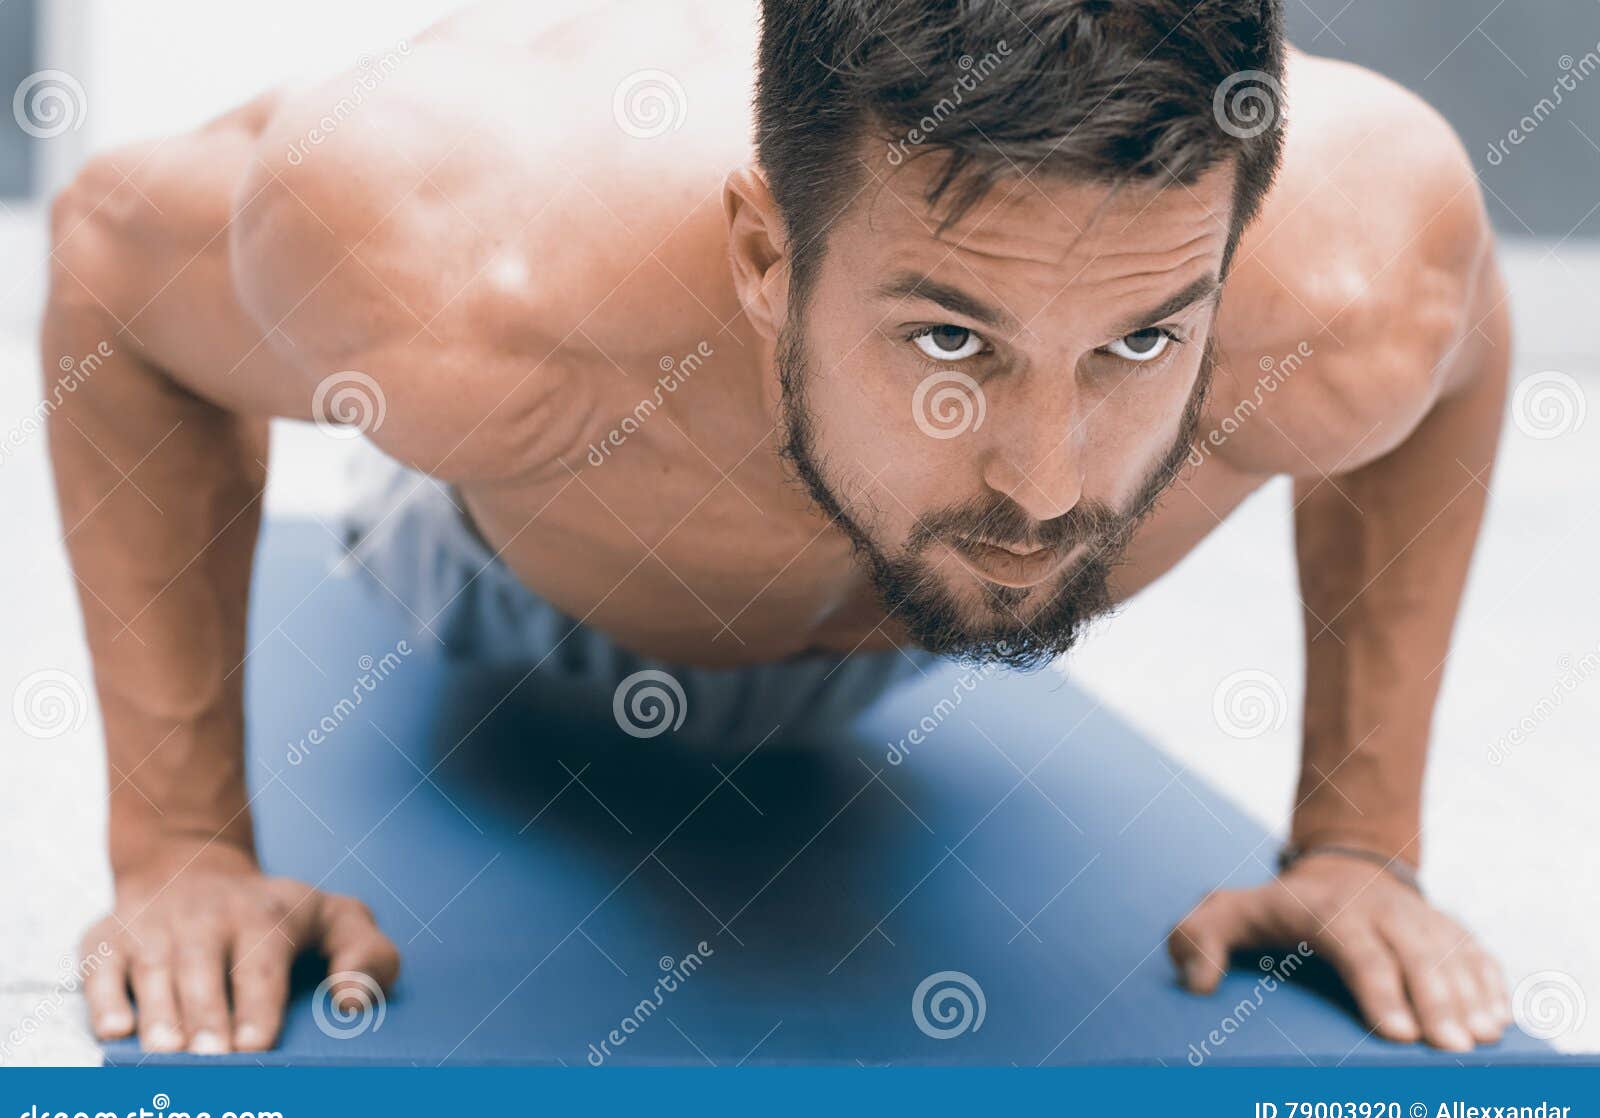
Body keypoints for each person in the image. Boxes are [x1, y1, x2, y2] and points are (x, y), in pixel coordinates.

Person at [45, 0, 1512, 1056]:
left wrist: (1359, 842)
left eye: (1140, 343)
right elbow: (111, 270)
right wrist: (182, 851)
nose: (1048, 484)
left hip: (917, 597)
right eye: (950, 340)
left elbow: (1460, 361)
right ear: (764, 254)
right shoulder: (466, 278)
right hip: (520, 579)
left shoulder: (1360, 274)